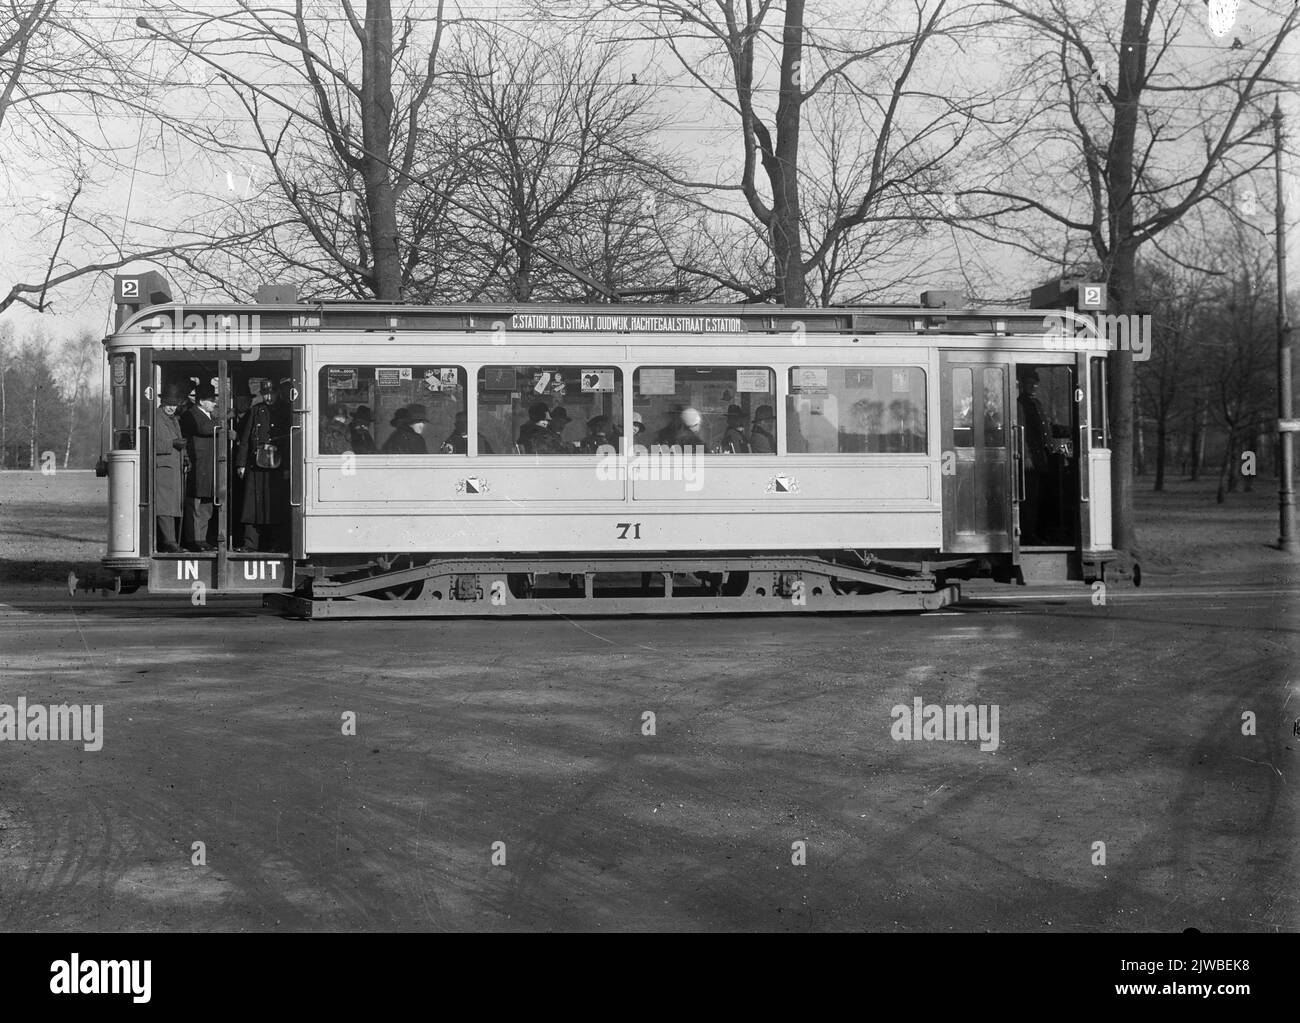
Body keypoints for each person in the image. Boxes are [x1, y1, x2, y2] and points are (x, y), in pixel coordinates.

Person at [234, 380, 289, 552]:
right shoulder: (256, 411)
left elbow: (290, 441)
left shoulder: (286, 410)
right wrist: (241, 463)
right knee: (252, 505)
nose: (268, 397)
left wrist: (287, 466)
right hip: (256, 463)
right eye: (265, 393)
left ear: (277, 393)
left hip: (277, 464)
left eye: (271, 393)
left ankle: (276, 544)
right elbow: (245, 438)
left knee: (275, 504)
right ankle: (250, 543)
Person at [181, 383, 218, 551]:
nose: (214, 403)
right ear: (202, 401)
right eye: (211, 400)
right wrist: (223, 424)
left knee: (206, 506)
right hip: (197, 467)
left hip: (207, 467)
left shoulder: (209, 416)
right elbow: (201, 428)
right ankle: (194, 540)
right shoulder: (191, 415)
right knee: (195, 506)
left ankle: (201, 539)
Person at [153, 381, 189, 552]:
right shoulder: (155, 418)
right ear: (163, 403)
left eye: (174, 405)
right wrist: (173, 443)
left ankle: (171, 542)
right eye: (169, 404)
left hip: (173, 469)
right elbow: (152, 444)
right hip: (163, 469)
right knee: (165, 507)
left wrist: (185, 458)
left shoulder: (173, 420)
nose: (172, 408)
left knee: (172, 506)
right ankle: (169, 543)